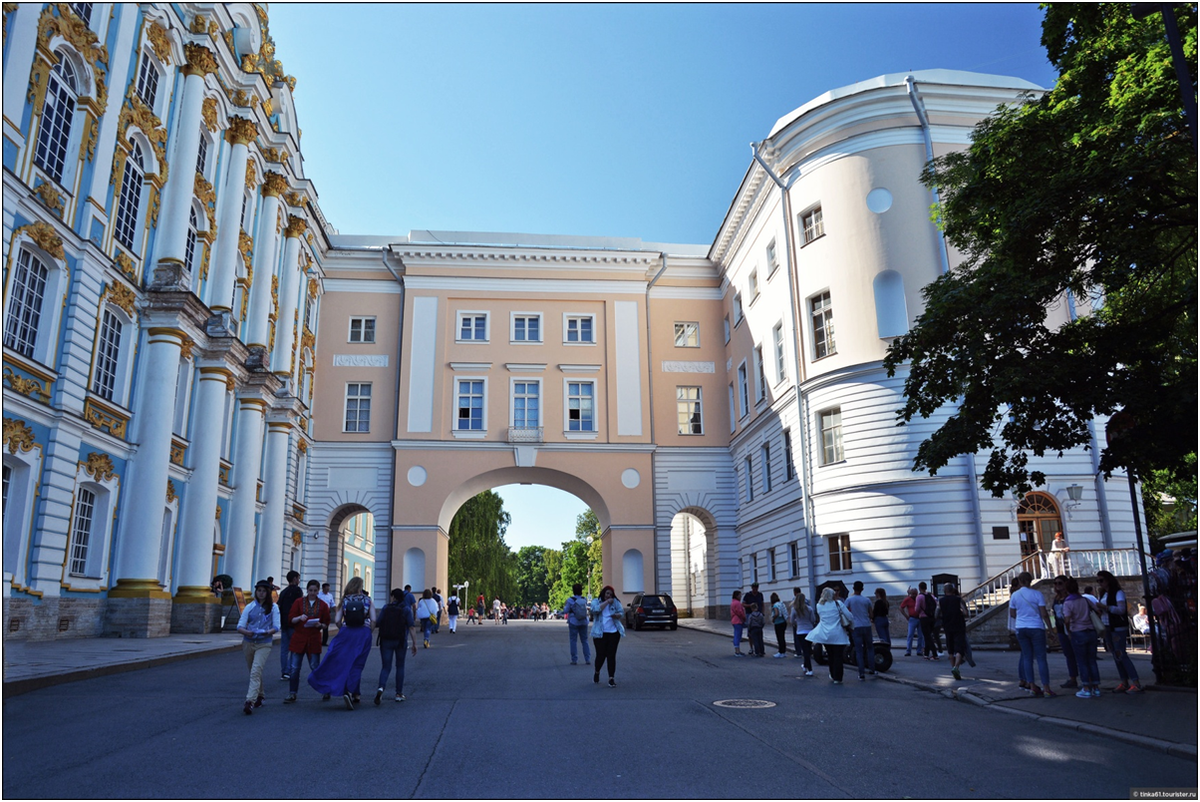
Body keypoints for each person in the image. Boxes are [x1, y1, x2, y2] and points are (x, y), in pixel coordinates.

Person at [307, 575, 375, 710]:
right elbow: (373, 619)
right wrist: (369, 631)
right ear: (361, 587)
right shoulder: (367, 600)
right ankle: (354, 692)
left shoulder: (344, 600)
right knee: (357, 664)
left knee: (341, 661)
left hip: (346, 632)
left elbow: (338, 620)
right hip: (363, 633)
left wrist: (343, 629)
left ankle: (347, 691)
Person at [1009, 571, 1056, 697]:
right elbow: (1044, 614)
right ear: (1030, 581)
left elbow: (1012, 614)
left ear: (1019, 581)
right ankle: (1046, 687)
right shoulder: (1037, 594)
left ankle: (1032, 686)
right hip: (1036, 627)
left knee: (1027, 658)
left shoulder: (1015, 595)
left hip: (1021, 628)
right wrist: (1050, 630)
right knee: (1041, 658)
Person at [236, 580, 280, 715]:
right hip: (248, 642)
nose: (261, 593)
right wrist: (246, 632)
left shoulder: (273, 608)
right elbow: (240, 625)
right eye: (259, 590)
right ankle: (260, 695)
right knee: (254, 670)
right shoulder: (249, 607)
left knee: (256, 670)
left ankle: (250, 701)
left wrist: (268, 632)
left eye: (264, 591)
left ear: (268, 593)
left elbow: (277, 627)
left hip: (264, 642)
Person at [1096, 570, 1143, 693]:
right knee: (1115, 654)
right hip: (1107, 625)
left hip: (1117, 626)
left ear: (1108, 580)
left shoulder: (1118, 593)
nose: (1100, 583)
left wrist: (1106, 608)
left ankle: (1135, 682)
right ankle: (1124, 681)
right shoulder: (1102, 594)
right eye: (1098, 581)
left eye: (1102, 580)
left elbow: (1121, 609)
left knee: (1121, 653)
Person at [284, 580, 330, 703]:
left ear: (318, 591)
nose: (313, 593)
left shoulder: (323, 605)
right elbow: (290, 620)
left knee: (315, 667)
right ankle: (292, 693)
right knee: (294, 668)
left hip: (313, 639)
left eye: (315, 591)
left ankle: (325, 690)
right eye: (310, 590)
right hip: (299, 638)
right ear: (307, 590)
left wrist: (320, 624)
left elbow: (326, 623)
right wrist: (299, 617)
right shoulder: (299, 602)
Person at [1060, 576, 1102, 698]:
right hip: (1091, 631)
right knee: (1092, 660)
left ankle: (1086, 687)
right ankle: (1096, 687)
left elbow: (1067, 619)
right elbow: (1098, 611)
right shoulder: (1085, 600)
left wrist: (1068, 630)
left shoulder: (1068, 602)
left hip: (1078, 631)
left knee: (1082, 661)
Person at [374, 588, 417, 704]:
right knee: (400, 666)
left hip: (386, 640)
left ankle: (381, 688)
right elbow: (411, 627)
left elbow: (378, 622)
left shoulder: (385, 607)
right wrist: (414, 643)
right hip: (400, 641)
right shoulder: (406, 609)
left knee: (386, 667)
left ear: (393, 597)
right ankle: (399, 693)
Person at [807, 587, 852, 684]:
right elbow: (849, 616)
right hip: (837, 634)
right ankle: (838, 677)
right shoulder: (838, 604)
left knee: (830, 655)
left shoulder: (819, 605)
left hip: (825, 634)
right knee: (838, 656)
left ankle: (832, 673)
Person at [590, 585, 625, 686]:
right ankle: (597, 672)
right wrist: (606, 603)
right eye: (607, 594)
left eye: (611, 594)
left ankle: (611, 678)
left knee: (611, 655)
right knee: (601, 655)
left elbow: (621, 613)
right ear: (603, 593)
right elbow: (594, 610)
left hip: (613, 633)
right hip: (599, 633)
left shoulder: (615, 602)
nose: (609, 596)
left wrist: (617, 615)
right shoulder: (596, 601)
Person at [1050, 575, 1080, 689]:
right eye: (1055, 583)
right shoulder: (1056, 599)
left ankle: (1087, 679)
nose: (1058, 586)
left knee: (1078, 653)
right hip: (1061, 629)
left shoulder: (1071, 598)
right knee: (1068, 654)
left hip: (1072, 628)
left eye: (1060, 583)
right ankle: (1073, 678)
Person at [936, 583, 969, 681]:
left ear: (945, 591)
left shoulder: (940, 601)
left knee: (950, 648)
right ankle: (956, 667)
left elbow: (936, 614)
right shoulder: (958, 599)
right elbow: (966, 613)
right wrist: (960, 613)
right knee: (959, 648)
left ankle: (953, 668)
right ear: (953, 590)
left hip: (947, 626)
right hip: (959, 626)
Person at [276, 571, 303, 681]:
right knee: (294, 648)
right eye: (298, 578)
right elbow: (299, 606)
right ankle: (291, 669)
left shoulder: (283, 592)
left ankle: (284, 672)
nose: (299, 580)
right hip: (294, 622)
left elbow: (279, 606)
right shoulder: (297, 591)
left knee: (284, 649)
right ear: (295, 579)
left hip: (284, 623)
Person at [845, 580, 874, 680]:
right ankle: (872, 669)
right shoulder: (867, 600)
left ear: (853, 588)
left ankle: (861, 673)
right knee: (870, 647)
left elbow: (845, 612)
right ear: (862, 589)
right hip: (866, 625)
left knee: (859, 650)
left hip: (855, 626)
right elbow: (871, 615)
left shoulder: (849, 600)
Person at [789, 589, 816, 676]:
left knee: (805, 651)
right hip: (809, 630)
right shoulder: (809, 609)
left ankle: (810, 669)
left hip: (800, 631)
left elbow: (791, 620)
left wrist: (796, 623)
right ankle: (805, 665)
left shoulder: (795, 609)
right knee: (807, 649)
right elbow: (813, 620)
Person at [564, 583, 592, 665]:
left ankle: (574, 659)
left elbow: (566, 611)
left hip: (573, 621)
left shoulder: (570, 600)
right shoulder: (584, 599)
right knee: (585, 640)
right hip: (583, 621)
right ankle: (587, 659)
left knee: (573, 640)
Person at [916, 582, 939, 661]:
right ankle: (926, 654)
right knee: (928, 635)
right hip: (931, 618)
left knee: (927, 636)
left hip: (923, 618)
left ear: (919, 588)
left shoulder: (919, 597)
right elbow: (936, 604)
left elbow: (917, 609)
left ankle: (935, 654)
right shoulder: (931, 595)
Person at [899, 587, 923, 657]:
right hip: (912, 618)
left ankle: (919, 650)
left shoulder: (919, 598)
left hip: (919, 618)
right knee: (910, 635)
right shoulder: (908, 599)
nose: (914, 595)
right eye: (913, 594)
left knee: (920, 636)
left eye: (915, 594)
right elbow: (901, 607)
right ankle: (908, 650)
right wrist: (906, 616)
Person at [770, 592, 788, 657]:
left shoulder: (775, 605)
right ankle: (784, 651)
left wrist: (773, 618)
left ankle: (781, 652)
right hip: (783, 622)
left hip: (778, 623)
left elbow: (776, 613)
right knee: (783, 637)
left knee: (779, 637)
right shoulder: (781, 604)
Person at [730, 590, 747, 657]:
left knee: (736, 635)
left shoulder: (733, 602)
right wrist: (744, 618)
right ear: (737, 596)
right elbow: (740, 612)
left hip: (734, 620)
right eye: (740, 595)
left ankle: (737, 650)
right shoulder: (737, 603)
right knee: (738, 635)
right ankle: (737, 651)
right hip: (738, 621)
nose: (741, 597)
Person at [318, 582, 335, 646]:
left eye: (328, 589)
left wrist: (336, 611)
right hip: (319, 612)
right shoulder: (319, 595)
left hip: (327, 612)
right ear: (323, 588)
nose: (327, 590)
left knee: (326, 627)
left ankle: (324, 642)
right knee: (318, 626)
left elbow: (332, 604)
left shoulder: (330, 595)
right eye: (326, 589)